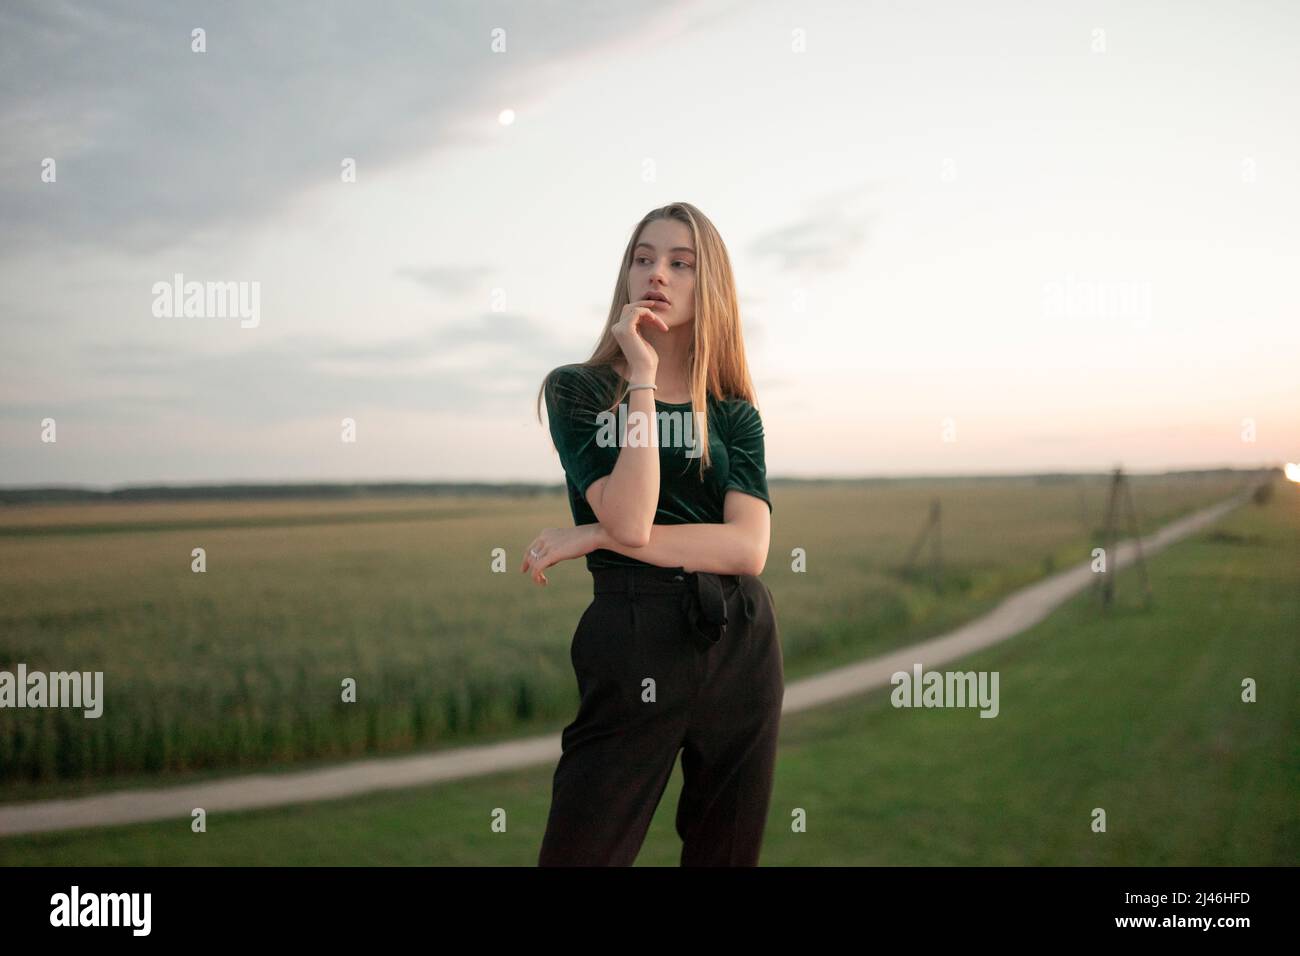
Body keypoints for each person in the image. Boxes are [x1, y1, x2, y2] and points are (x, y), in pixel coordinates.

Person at [523, 202, 783, 866]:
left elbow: (747, 550)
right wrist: (640, 377)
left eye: (680, 262)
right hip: (633, 636)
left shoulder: (732, 411)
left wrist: (598, 538)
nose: (657, 274)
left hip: (739, 640)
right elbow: (632, 516)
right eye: (643, 258)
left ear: (709, 285)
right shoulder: (578, 392)